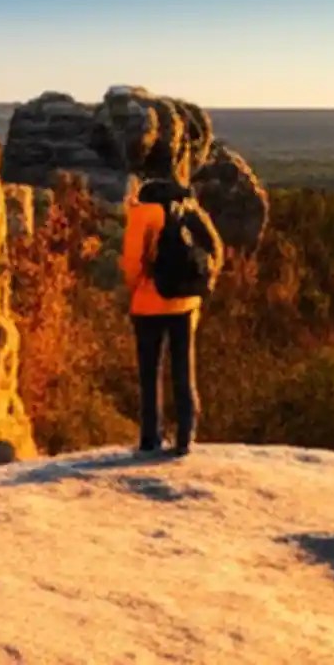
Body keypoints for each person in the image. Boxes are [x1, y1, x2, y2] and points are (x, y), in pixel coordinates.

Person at [119, 177, 221, 457]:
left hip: (150, 303)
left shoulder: (143, 213)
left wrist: (137, 286)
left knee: (150, 373)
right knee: (183, 370)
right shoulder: (189, 210)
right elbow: (214, 249)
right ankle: (185, 437)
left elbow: (131, 261)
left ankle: (151, 438)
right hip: (186, 303)